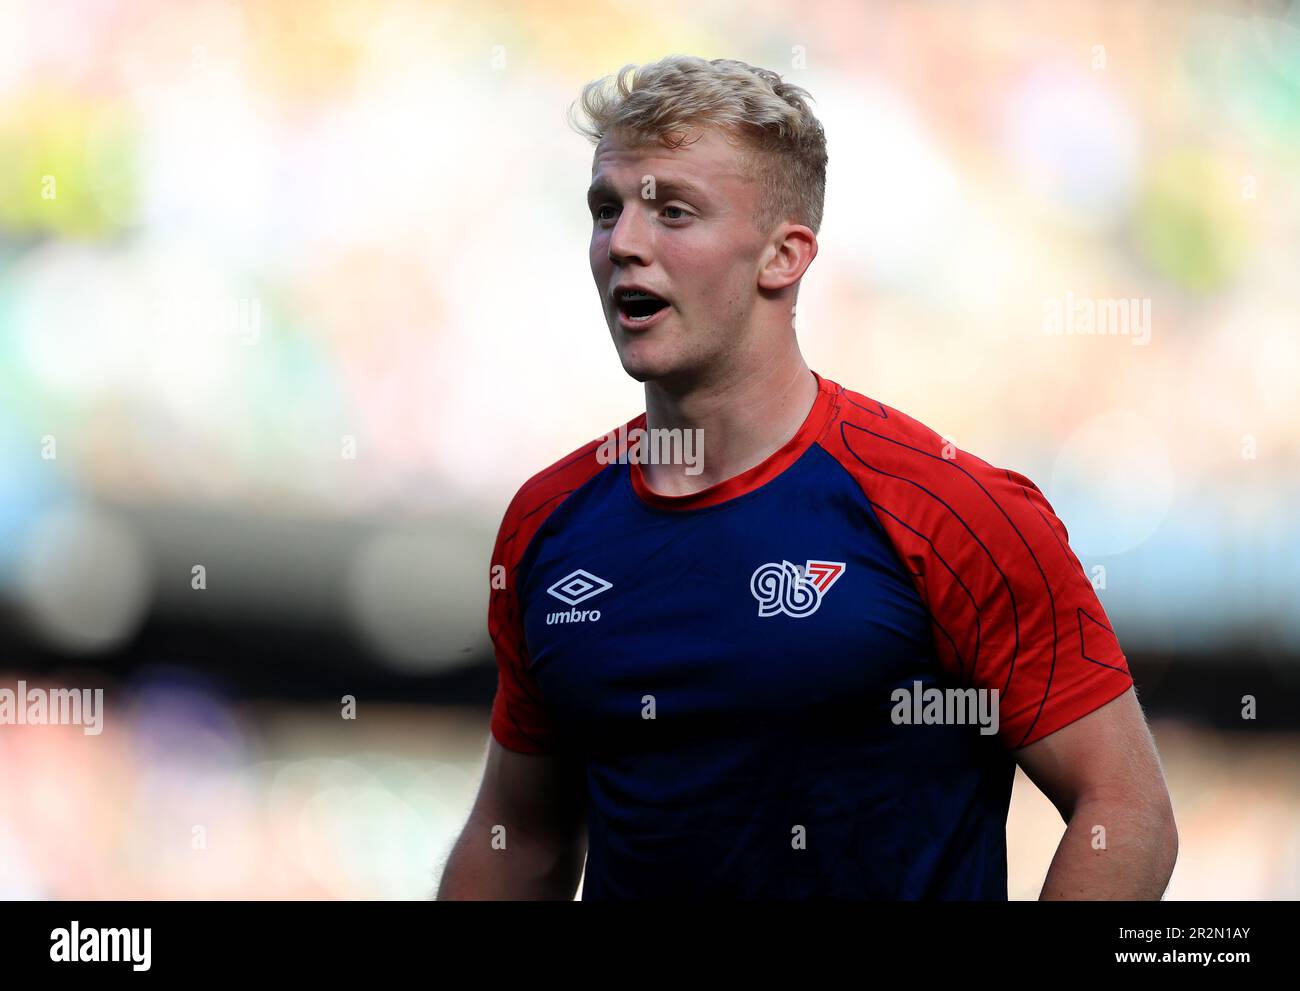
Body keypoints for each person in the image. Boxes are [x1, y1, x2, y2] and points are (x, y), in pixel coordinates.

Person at [437, 55, 1177, 900]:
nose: (625, 244)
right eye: (607, 210)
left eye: (672, 211)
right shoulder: (549, 521)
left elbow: (1126, 807)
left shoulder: (951, 509)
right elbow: (522, 836)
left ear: (784, 257)